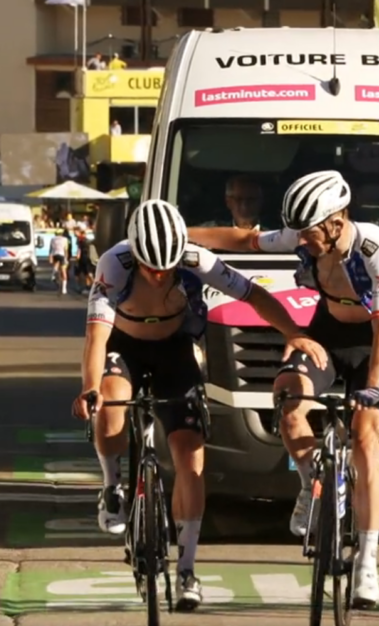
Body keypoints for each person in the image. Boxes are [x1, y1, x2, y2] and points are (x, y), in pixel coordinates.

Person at [70, 199, 323, 612]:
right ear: (133, 252)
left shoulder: (194, 259)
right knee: (111, 397)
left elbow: (254, 295)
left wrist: (293, 333)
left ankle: (186, 569)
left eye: (166, 267)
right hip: (124, 346)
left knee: (191, 458)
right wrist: (88, 388)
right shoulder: (114, 265)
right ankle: (112, 486)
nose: (157, 274)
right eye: (149, 266)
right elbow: (96, 338)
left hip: (175, 349)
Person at [187, 170, 379, 609]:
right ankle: (315, 479)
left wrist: (371, 389)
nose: (302, 241)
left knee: (367, 441)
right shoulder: (303, 235)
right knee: (289, 400)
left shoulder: (374, 248)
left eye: (309, 233)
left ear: (335, 221)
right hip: (327, 331)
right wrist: (185, 234)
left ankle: (367, 561)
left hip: (375, 339)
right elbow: (245, 241)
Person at [49, 230, 70, 295]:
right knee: (64, 271)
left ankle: (53, 274)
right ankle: (64, 289)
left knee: (56, 265)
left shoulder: (52, 239)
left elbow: (50, 249)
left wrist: (50, 257)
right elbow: (66, 250)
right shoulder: (65, 239)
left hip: (55, 254)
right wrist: (66, 258)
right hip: (62, 255)